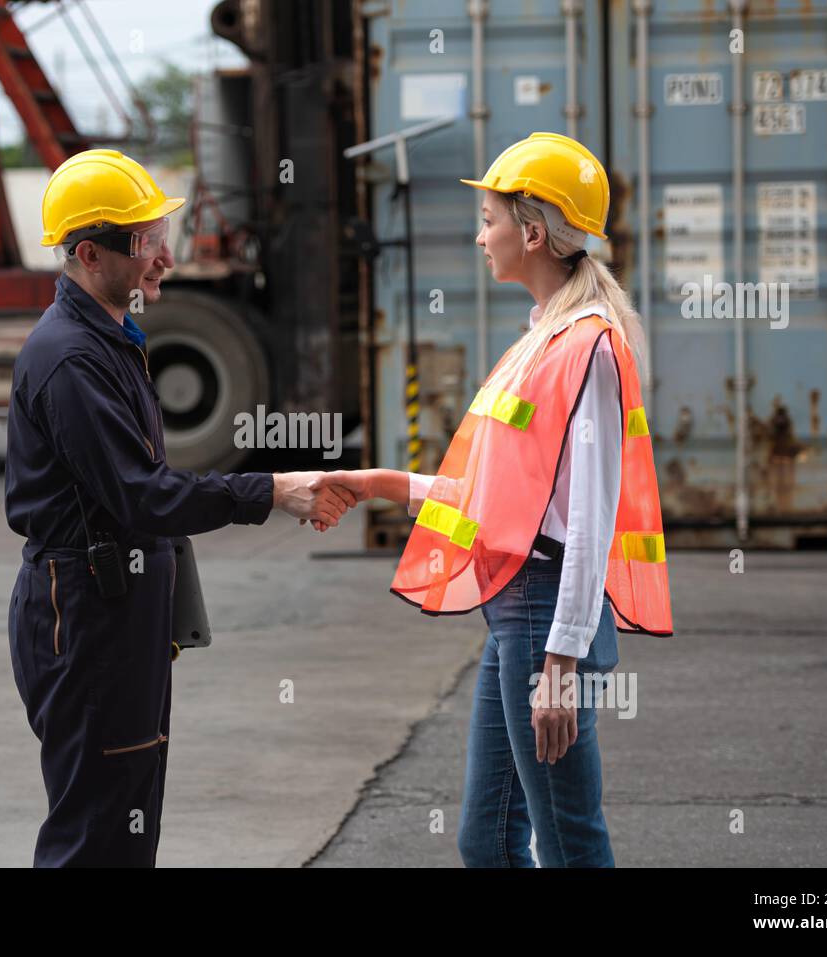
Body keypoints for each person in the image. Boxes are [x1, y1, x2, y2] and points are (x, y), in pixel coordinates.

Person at [313, 132, 673, 867]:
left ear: (533, 231)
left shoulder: (588, 347)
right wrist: (385, 485)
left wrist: (562, 664)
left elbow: (590, 520)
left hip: (544, 615)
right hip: (515, 611)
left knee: (569, 842)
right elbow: (508, 497)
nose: (481, 236)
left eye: (489, 220)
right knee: (488, 840)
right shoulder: (541, 337)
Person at [4, 148, 355, 867]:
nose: (164, 255)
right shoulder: (72, 358)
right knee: (94, 835)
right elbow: (143, 492)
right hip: (89, 619)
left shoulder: (107, 336)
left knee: (126, 820)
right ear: (91, 252)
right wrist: (269, 490)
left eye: (162, 232)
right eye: (146, 241)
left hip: (116, 610)